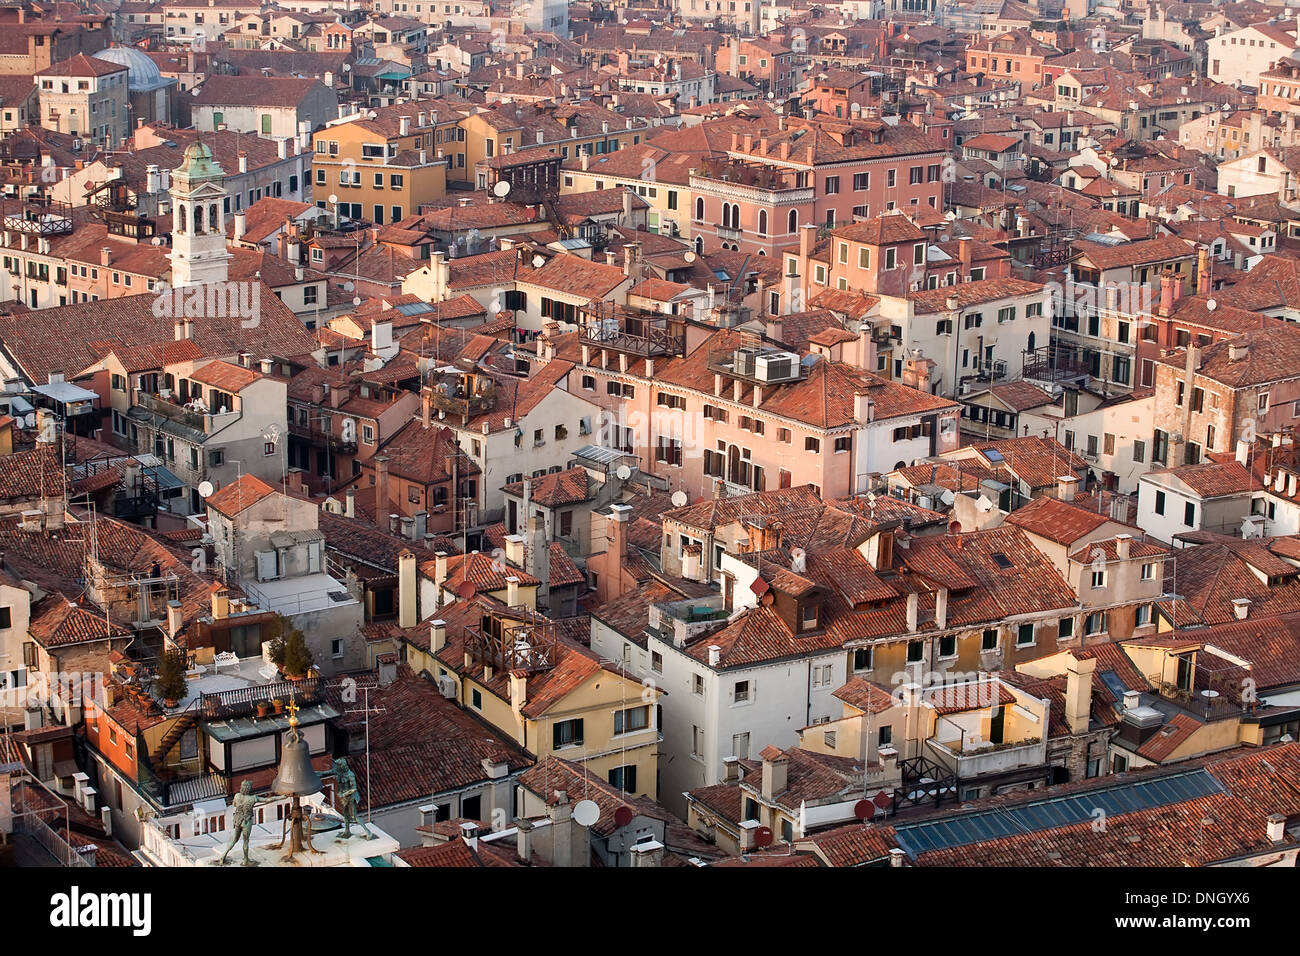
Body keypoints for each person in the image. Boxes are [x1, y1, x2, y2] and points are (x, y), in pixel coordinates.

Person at [219, 781, 272, 866]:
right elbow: (268, 799)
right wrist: (283, 797)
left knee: (234, 840)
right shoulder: (253, 798)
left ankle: (223, 856)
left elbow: (234, 805)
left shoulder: (237, 795)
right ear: (249, 789)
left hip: (237, 820)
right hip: (246, 821)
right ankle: (245, 860)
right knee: (246, 841)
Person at [334, 758, 362, 838]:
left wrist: (344, 794)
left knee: (354, 816)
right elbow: (326, 772)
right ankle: (347, 831)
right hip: (345, 798)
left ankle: (368, 832)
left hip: (351, 797)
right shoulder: (339, 772)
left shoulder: (350, 774)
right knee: (345, 815)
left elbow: (354, 788)